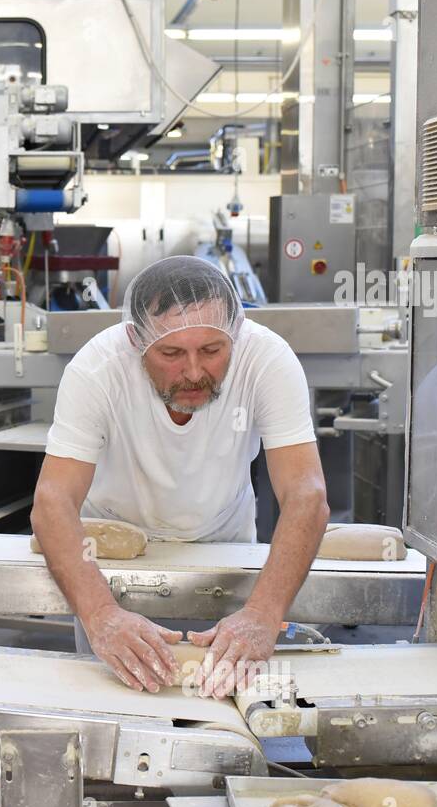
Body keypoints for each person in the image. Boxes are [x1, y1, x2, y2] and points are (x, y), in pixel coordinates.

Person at [30, 256, 329, 697]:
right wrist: (101, 616)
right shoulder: (97, 370)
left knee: (221, 714)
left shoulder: (266, 359)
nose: (193, 371)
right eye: (171, 353)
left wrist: (262, 615)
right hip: (110, 565)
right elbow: (52, 501)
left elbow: (306, 493)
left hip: (224, 554)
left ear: (235, 333)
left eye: (212, 350)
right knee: (120, 711)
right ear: (136, 341)